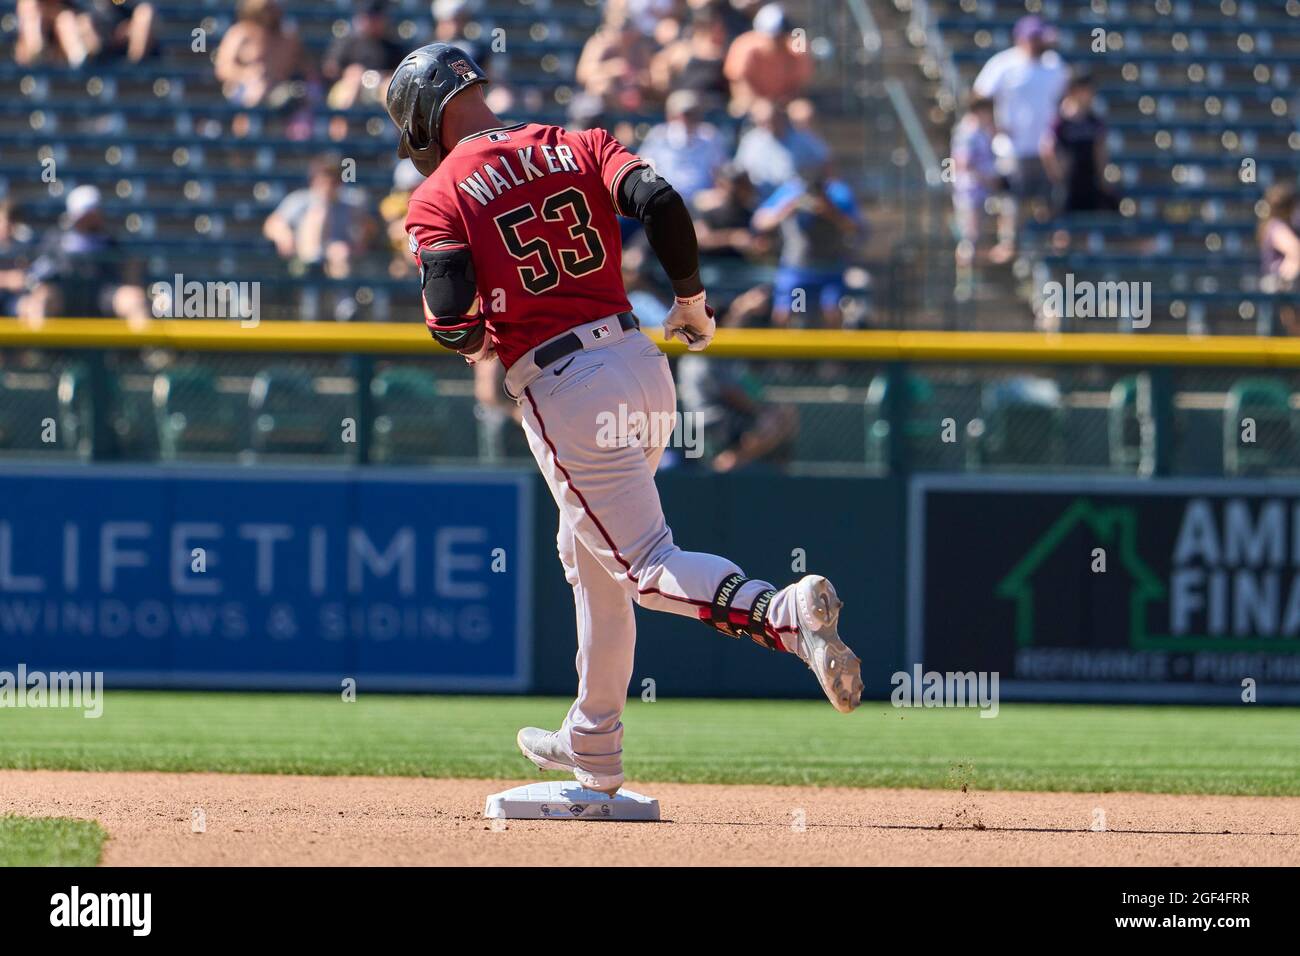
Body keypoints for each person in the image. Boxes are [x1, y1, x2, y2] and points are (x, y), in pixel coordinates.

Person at [388, 43, 863, 794]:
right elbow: (663, 201)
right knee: (590, 560)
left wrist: (471, 335)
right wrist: (691, 304)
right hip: (641, 364)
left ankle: (782, 611)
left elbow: (449, 312)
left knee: (642, 566)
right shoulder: (573, 141)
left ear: (419, 118)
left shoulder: (439, 192)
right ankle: (593, 743)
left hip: (563, 383)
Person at [972, 15, 1069, 261]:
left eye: (1040, 37)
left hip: (1046, 147)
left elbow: (1066, 98)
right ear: (1021, 39)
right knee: (1012, 198)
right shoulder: (1003, 64)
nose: (1037, 42)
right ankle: (1009, 245)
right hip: (1013, 147)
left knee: (1050, 196)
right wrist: (994, 128)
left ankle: (1051, 246)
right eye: (1033, 37)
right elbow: (979, 97)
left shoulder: (1054, 64)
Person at [20, 185, 149, 326]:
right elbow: (37, 272)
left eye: (94, 212)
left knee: (134, 299)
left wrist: (131, 272)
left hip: (103, 293)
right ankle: (36, 347)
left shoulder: (111, 240)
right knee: (40, 300)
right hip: (65, 291)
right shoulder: (56, 239)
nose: (91, 218)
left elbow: (127, 270)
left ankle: (147, 347)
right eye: (87, 213)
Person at [752, 165, 863, 328]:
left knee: (831, 312)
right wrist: (787, 210)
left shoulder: (838, 194)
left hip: (830, 272)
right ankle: (789, 353)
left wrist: (830, 212)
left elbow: (855, 228)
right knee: (793, 313)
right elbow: (760, 222)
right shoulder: (791, 193)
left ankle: (831, 352)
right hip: (799, 272)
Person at [263, 156, 373, 319]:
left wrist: (360, 242)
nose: (328, 187)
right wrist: (284, 236)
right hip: (300, 259)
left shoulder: (350, 204)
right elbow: (272, 225)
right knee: (316, 215)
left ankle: (345, 307)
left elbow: (369, 227)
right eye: (323, 181)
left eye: (333, 182)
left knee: (339, 251)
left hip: (337, 259)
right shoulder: (299, 200)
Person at [1042, 73, 1118, 216]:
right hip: (1069, 183)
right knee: (1064, 226)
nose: (1091, 95)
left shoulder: (1094, 120)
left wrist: (1102, 178)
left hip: (1090, 179)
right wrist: (1057, 174)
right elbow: (1047, 148)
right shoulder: (1061, 121)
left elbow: (1100, 150)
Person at [635, 90, 728, 202]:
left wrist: (716, 193)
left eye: (694, 114)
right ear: (670, 116)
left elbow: (721, 173)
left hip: (702, 202)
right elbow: (642, 170)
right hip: (666, 201)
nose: (689, 119)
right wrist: (658, 191)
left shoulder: (710, 136)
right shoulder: (657, 136)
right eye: (685, 114)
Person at [213, 0, 308, 108]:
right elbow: (222, 68)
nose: (267, 14)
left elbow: (295, 67)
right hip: (243, 88)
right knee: (254, 93)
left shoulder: (287, 37)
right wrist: (247, 74)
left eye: (271, 8)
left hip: (278, 89)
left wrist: (271, 77)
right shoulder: (240, 32)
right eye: (265, 9)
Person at [723, 2, 813, 114]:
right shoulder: (744, 47)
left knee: (802, 111)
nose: (777, 41)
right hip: (752, 101)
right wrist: (758, 103)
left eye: (780, 35)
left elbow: (798, 86)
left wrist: (782, 103)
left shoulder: (797, 49)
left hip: (783, 103)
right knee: (744, 110)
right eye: (773, 37)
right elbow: (739, 84)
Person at [733, 98, 829, 198]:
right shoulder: (751, 141)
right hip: (759, 198)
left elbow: (825, 161)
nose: (769, 126)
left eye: (771, 121)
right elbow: (740, 168)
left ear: (780, 117)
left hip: (794, 199)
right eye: (763, 123)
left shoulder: (802, 138)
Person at [16, 0, 155, 66]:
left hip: (108, 38)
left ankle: (135, 69)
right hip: (70, 42)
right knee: (69, 21)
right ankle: (81, 67)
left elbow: (127, 9)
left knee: (145, 13)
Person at [323, 0, 406, 110]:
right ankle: (343, 123)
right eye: (369, 18)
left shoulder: (392, 45)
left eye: (377, 18)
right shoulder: (348, 42)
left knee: (389, 88)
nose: (373, 22)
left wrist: (383, 76)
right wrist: (348, 73)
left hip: (378, 90)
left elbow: (403, 75)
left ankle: (393, 127)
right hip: (350, 88)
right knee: (352, 85)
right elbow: (329, 69)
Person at [950, 95, 1000, 267]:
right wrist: (986, 178)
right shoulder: (968, 132)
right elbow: (963, 162)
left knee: (975, 235)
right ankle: (965, 282)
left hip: (981, 190)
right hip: (970, 191)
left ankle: (971, 276)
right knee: (969, 236)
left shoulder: (981, 131)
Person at [1259, 184, 1300, 335]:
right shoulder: (1276, 226)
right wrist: (1286, 277)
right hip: (1278, 287)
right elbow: (1296, 251)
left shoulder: (1271, 225)